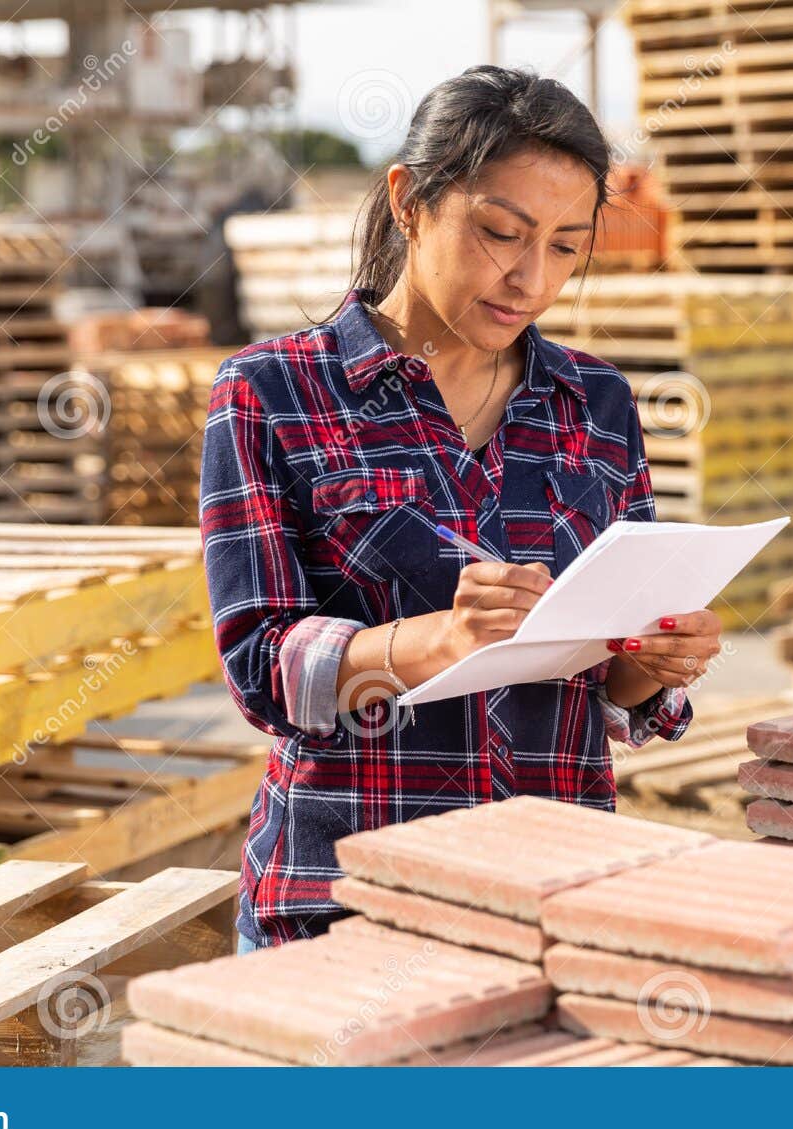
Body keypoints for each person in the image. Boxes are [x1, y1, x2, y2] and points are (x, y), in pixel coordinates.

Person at [200, 64, 723, 954]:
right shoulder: (272, 393)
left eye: (565, 246)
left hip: (554, 896)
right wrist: (437, 641)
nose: (529, 277)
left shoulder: (594, 401)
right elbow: (260, 667)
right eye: (499, 232)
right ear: (409, 200)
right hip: (346, 898)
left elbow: (613, 685)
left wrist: (658, 658)